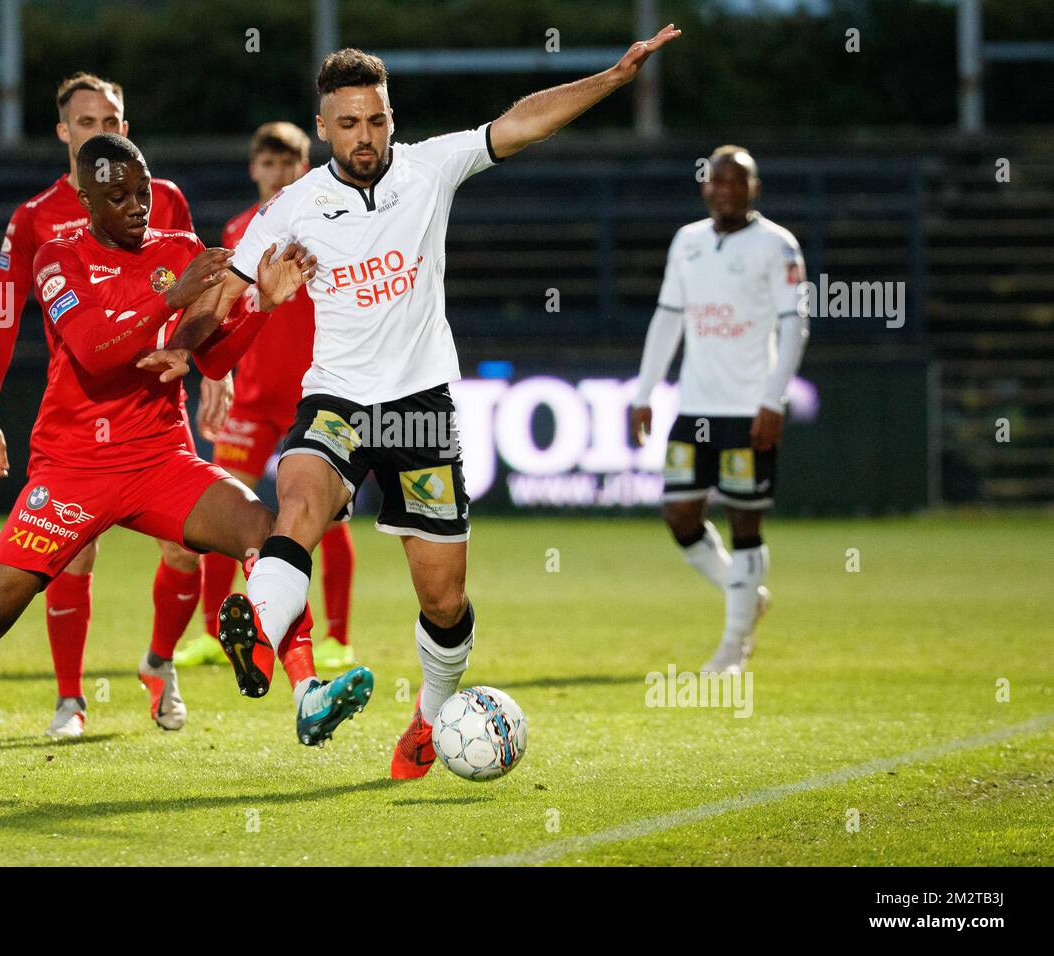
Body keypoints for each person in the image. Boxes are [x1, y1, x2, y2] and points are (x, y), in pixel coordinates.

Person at [139, 27, 681, 778]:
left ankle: (428, 720)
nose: (367, 136)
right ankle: (258, 630)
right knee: (297, 508)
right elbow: (223, 294)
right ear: (324, 128)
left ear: (391, 117)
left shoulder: (430, 168)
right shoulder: (292, 207)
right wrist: (185, 344)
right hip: (337, 399)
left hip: (421, 408)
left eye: (378, 119)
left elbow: (519, 122)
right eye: (351, 123)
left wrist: (612, 78)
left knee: (445, 598)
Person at [0, 134, 372, 791]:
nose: (137, 206)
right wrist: (170, 301)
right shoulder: (59, 258)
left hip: (159, 457)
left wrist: (261, 305)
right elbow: (93, 351)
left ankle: (306, 692)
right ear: (86, 200)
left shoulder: (181, 252)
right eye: (118, 197)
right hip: (72, 468)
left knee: (266, 531)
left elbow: (215, 359)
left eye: (142, 191)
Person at [0, 72, 231, 738]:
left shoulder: (161, 199)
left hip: (157, 413)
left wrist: (213, 372)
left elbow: (202, 293)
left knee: (188, 550)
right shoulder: (35, 220)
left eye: (112, 120)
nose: (103, 132)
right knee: (73, 552)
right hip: (83, 416)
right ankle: (69, 698)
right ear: (64, 133)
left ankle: (159, 662)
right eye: (87, 123)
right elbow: (2, 317)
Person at [178, 121, 358, 673]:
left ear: (303, 168)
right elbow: (220, 319)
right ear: (254, 168)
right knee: (222, 513)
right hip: (251, 401)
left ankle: (337, 638)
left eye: (290, 163)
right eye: (270, 163)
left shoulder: (326, 229)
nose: (279, 172)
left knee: (328, 520)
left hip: (315, 396)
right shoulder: (238, 232)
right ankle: (212, 632)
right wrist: (216, 376)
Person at [629, 145, 810, 674]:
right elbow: (668, 318)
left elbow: (795, 325)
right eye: (719, 180)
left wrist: (772, 400)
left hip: (748, 408)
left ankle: (733, 648)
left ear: (754, 189)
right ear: (705, 186)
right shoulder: (687, 241)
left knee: (744, 523)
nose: (727, 189)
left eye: (739, 181)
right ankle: (745, 591)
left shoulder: (778, 247)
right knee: (679, 514)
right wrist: (644, 393)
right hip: (696, 406)